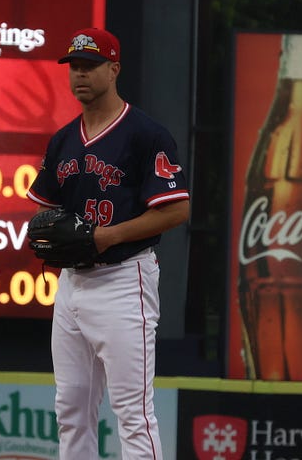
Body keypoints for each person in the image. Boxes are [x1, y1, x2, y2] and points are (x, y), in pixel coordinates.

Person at [25, 27, 190, 459]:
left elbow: (176, 210)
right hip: (72, 286)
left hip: (123, 279)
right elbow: (43, 210)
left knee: (132, 413)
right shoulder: (63, 140)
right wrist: (51, 237)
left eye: (90, 66)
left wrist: (107, 236)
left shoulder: (145, 134)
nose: (80, 75)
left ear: (114, 69)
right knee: (71, 409)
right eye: (74, 67)